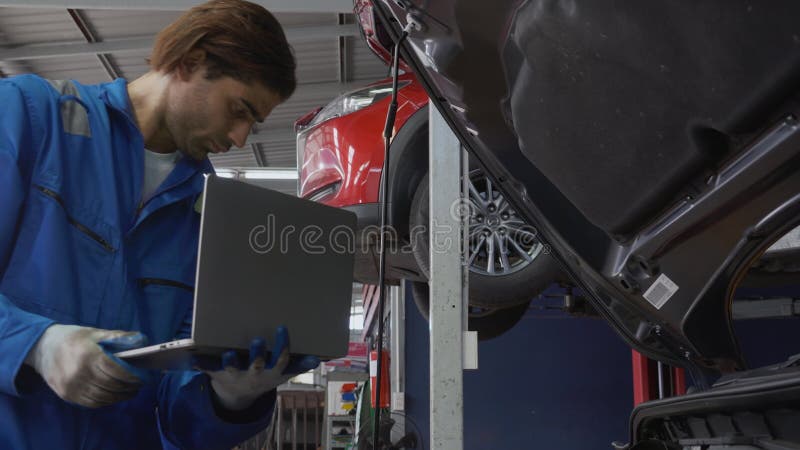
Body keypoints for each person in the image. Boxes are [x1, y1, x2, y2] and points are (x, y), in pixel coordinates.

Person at [0, 1, 318, 448]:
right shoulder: (32, 119)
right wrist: (35, 345)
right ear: (191, 62)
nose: (240, 137)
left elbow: (176, 421)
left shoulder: (212, 215)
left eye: (254, 123)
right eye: (239, 109)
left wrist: (228, 399)